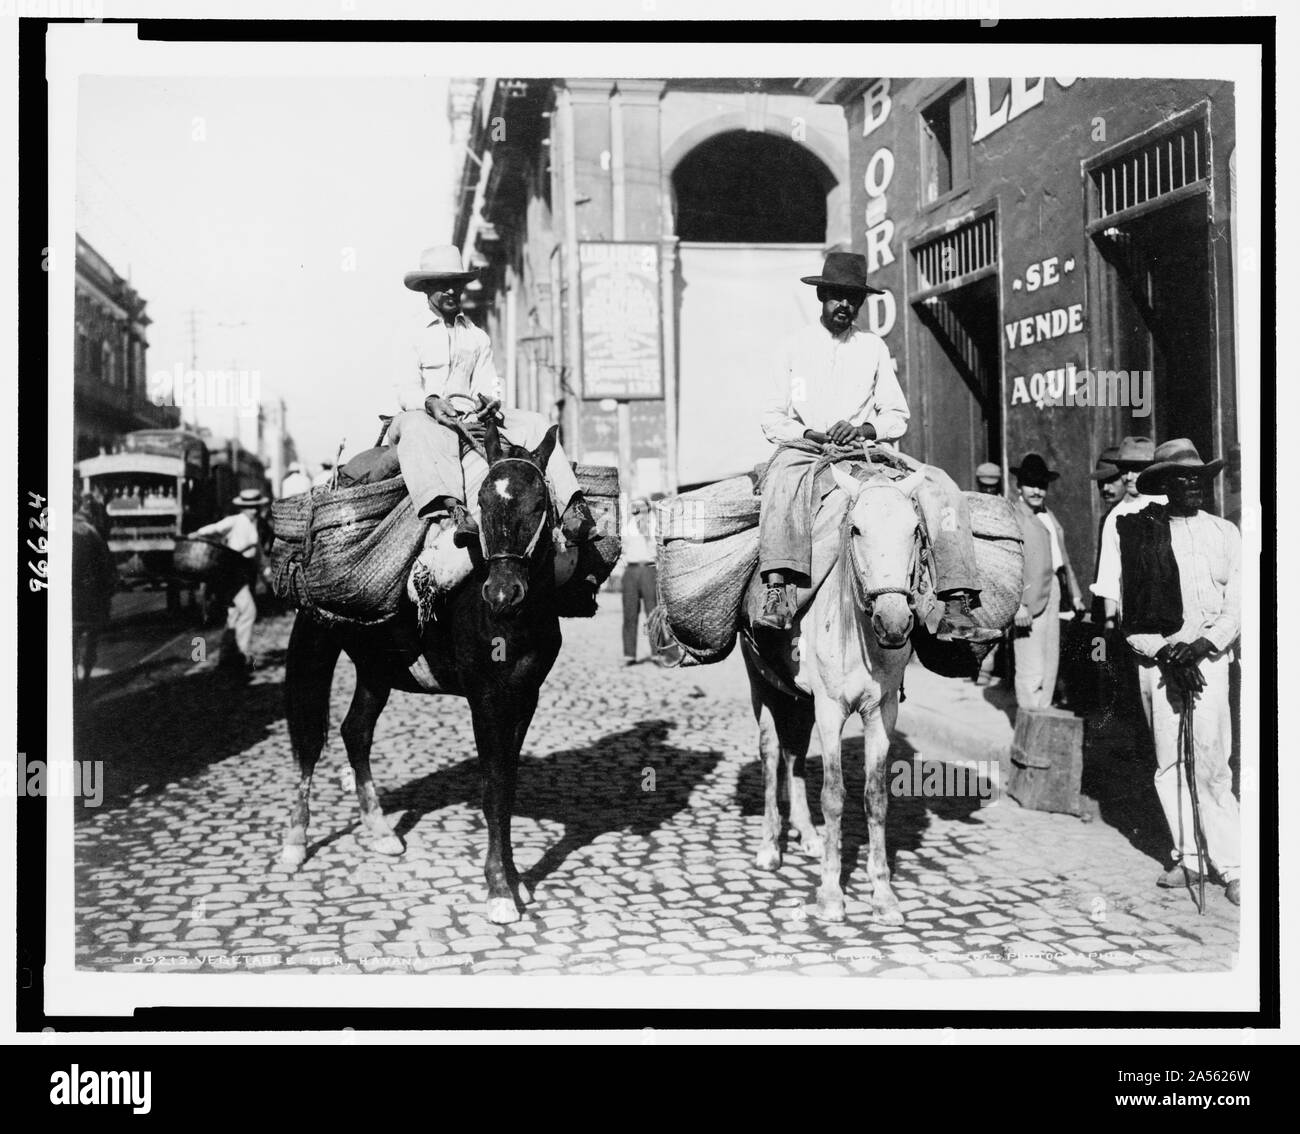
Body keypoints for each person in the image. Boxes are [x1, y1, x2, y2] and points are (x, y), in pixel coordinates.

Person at [754, 251, 993, 640]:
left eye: (854, 298)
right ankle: (778, 589)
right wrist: (809, 434)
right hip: (808, 450)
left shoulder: (873, 348)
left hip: (865, 453)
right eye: (836, 295)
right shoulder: (791, 349)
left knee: (939, 484)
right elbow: (771, 418)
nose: (845, 305)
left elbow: (897, 415)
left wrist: (865, 429)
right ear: (821, 297)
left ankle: (956, 600)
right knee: (782, 481)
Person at [386, 245, 596, 546]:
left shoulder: (476, 336)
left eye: (456, 284)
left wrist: (489, 402)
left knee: (535, 422)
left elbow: (487, 384)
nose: (450, 290)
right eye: (442, 284)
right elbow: (406, 389)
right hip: (425, 416)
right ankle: (454, 510)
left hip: (469, 415)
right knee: (418, 429)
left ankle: (573, 510)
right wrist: (431, 403)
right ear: (426, 288)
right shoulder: (410, 333)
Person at [1119, 439, 1240, 906]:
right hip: (1162, 661)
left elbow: (1239, 604)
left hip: (1209, 660)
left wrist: (1203, 646)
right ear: (1164, 487)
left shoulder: (1224, 533)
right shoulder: (1142, 533)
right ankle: (1189, 854)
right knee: (1170, 762)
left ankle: (1232, 864)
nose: (1192, 486)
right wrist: (1169, 653)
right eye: (1181, 479)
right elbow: (1132, 619)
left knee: (1211, 763)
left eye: (1198, 478)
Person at [1009, 453, 1085, 710]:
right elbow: (1008, 565)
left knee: (1050, 666)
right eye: (1030, 484)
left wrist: (1074, 594)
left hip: (1054, 595)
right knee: (1031, 671)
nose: (1037, 490)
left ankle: (1040, 727)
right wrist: (1017, 604)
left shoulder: (1048, 515)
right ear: (1018, 485)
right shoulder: (1014, 516)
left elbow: (1061, 558)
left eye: (1042, 485)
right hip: (1029, 602)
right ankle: (1028, 733)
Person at [1091, 435, 1166, 625]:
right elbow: (1109, 574)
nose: (1130, 477)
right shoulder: (1114, 517)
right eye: (1125, 470)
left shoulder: (1168, 505)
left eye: (1137, 469)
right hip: (1134, 617)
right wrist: (1109, 623)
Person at [193, 488, 267, 671]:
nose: (254, 511)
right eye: (250, 508)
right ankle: (241, 653)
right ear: (242, 508)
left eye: (256, 507)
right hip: (230, 572)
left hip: (242, 572)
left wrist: (264, 572)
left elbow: (256, 552)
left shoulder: (254, 524)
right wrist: (195, 535)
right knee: (249, 611)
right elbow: (215, 528)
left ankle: (227, 656)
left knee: (234, 615)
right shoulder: (235, 521)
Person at [620, 497, 659, 665]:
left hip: (648, 569)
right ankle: (629, 654)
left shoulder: (654, 524)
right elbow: (622, 547)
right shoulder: (628, 525)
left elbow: (657, 547)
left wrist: (646, 531)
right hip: (631, 570)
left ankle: (657, 653)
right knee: (629, 614)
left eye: (642, 508)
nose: (638, 511)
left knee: (652, 614)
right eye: (636, 508)